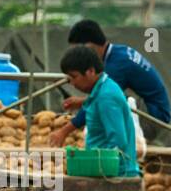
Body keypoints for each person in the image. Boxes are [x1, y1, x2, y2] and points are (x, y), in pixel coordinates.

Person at [49, 19, 171, 146]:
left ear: (90, 46)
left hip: (152, 116)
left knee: (103, 126)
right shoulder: (118, 52)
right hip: (150, 107)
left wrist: (64, 131)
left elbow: (101, 99)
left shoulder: (117, 66)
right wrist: (82, 102)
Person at [59, 45, 140, 177]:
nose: (72, 83)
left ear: (90, 71)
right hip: (106, 170)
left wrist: (87, 162)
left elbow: (118, 143)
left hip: (115, 175)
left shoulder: (106, 97)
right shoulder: (102, 90)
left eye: (74, 77)